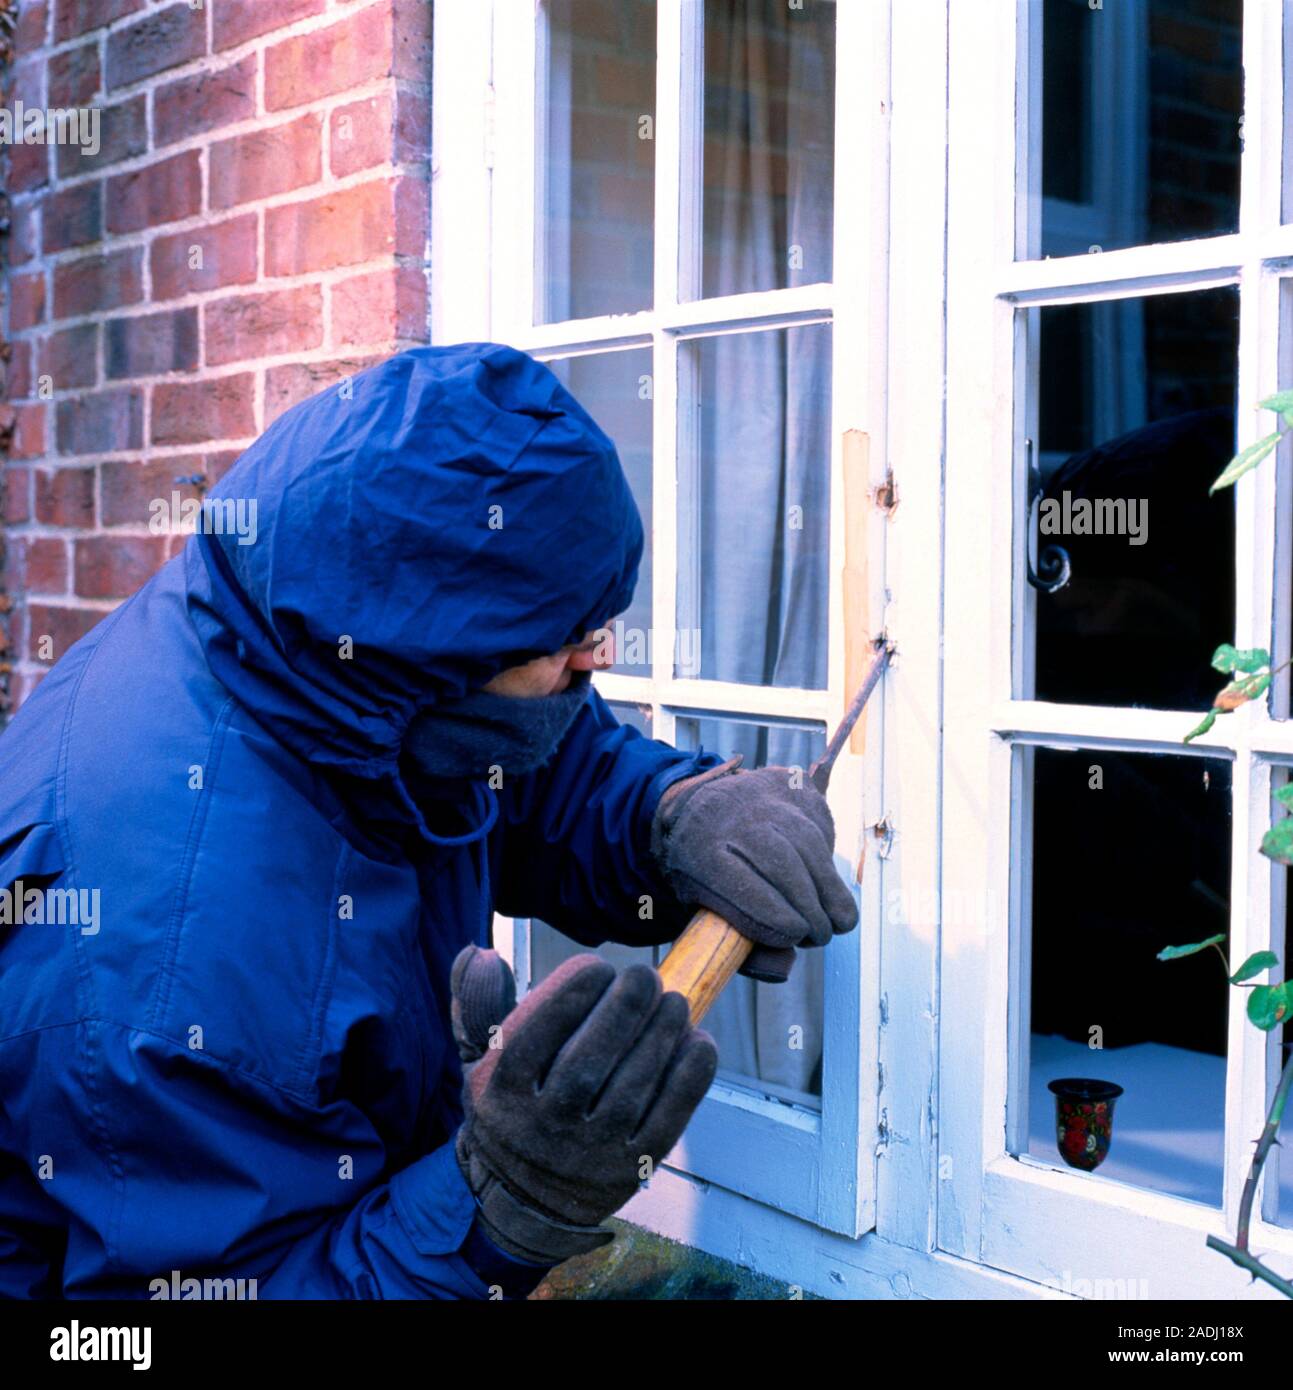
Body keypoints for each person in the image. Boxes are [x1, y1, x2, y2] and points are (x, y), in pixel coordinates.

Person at [0, 343, 856, 1299]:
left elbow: (510, 759)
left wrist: (668, 815)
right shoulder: (178, 974)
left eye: (596, 624)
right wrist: (492, 1208)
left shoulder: (309, 641)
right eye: (568, 643)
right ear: (428, 664)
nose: (597, 661)